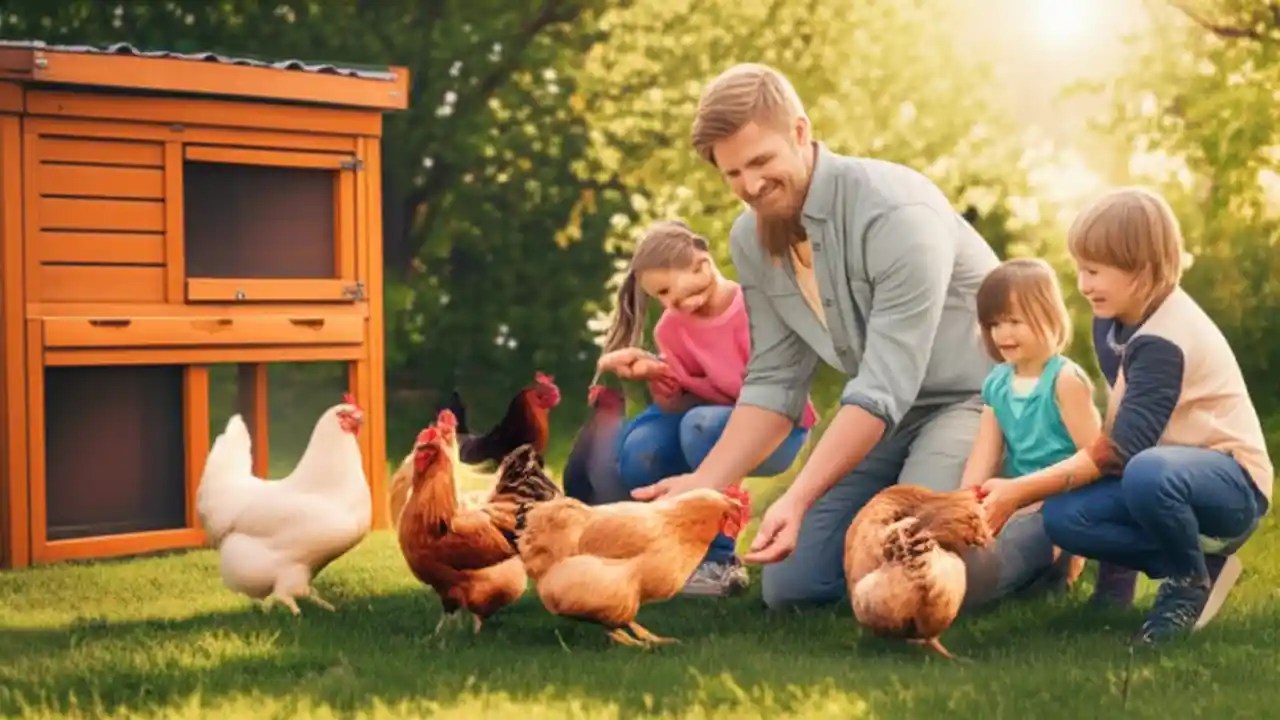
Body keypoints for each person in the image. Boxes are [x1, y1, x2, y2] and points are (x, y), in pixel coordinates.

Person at [632, 62, 1033, 612]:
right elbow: (774, 380)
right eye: (731, 174)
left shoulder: (896, 216)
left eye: (761, 161)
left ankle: (1045, 538)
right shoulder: (751, 237)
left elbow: (882, 387)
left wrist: (796, 498)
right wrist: (703, 484)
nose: (749, 186)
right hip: (888, 415)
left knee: (917, 572)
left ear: (800, 132)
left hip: (975, 403)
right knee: (792, 590)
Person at [978, 187, 1272, 644]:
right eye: (1080, 269)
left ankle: (1185, 587)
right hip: (1162, 476)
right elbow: (1119, 427)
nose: (1083, 284)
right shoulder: (1112, 319)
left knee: (1145, 471)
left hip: (1231, 487)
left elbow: (1118, 452)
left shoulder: (1164, 341)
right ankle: (1196, 565)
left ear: (1143, 271)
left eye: (1094, 271)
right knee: (1064, 518)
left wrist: (1017, 492)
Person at [592, 218, 819, 597]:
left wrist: (696, 404)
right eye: (659, 296)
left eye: (668, 288)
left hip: (778, 430)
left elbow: (769, 398)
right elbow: (679, 402)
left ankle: (720, 561)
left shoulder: (754, 310)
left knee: (699, 424)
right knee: (641, 444)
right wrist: (655, 374)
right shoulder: (671, 328)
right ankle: (670, 551)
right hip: (704, 421)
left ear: (701, 263)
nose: (668, 303)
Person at [958, 257, 1101, 597]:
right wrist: (964, 506)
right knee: (968, 558)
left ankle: (1066, 562)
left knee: (983, 580)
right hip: (1016, 499)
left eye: (1014, 321)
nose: (1002, 334)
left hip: (1060, 502)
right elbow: (985, 453)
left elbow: (1097, 458)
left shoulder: (1065, 381)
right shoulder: (997, 382)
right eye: (994, 324)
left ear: (1048, 316)